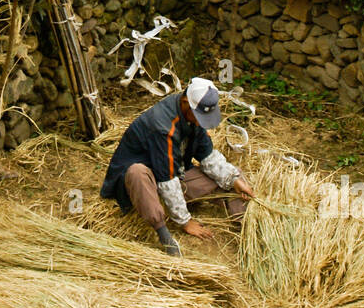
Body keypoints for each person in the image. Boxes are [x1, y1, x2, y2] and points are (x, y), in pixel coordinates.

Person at [100, 76, 254, 256]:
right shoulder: (163, 126)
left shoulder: (192, 116)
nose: (200, 122)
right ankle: (163, 233)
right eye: (199, 117)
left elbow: (207, 156)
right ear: (186, 102)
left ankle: (244, 222)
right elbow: (167, 178)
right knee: (137, 172)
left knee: (234, 176)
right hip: (143, 181)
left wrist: (233, 180)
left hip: (175, 170)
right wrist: (185, 221)